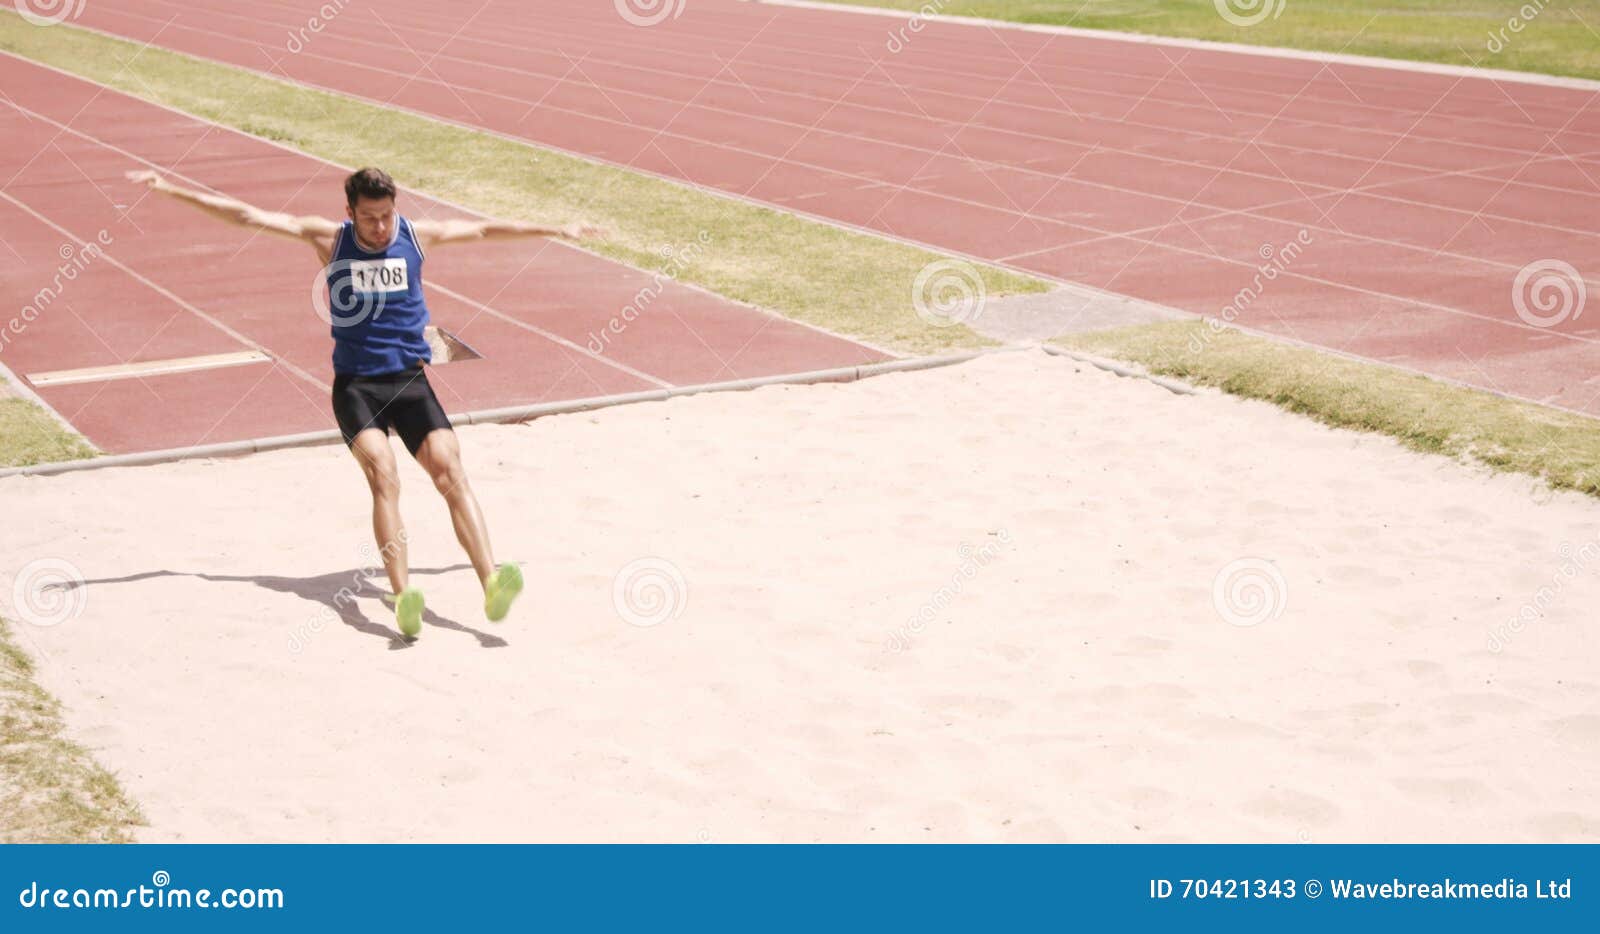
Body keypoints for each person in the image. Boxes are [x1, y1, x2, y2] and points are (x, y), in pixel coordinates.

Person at [128, 166, 600, 637]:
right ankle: (403, 596)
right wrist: (168, 188)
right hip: (356, 387)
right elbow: (246, 216)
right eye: (369, 218)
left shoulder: (416, 237)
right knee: (385, 476)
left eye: (387, 216)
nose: (379, 227)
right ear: (350, 212)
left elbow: (483, 228)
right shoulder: (330, 240)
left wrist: (560, 228)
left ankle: (491, 581)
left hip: (410, 384)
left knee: (450, 471)